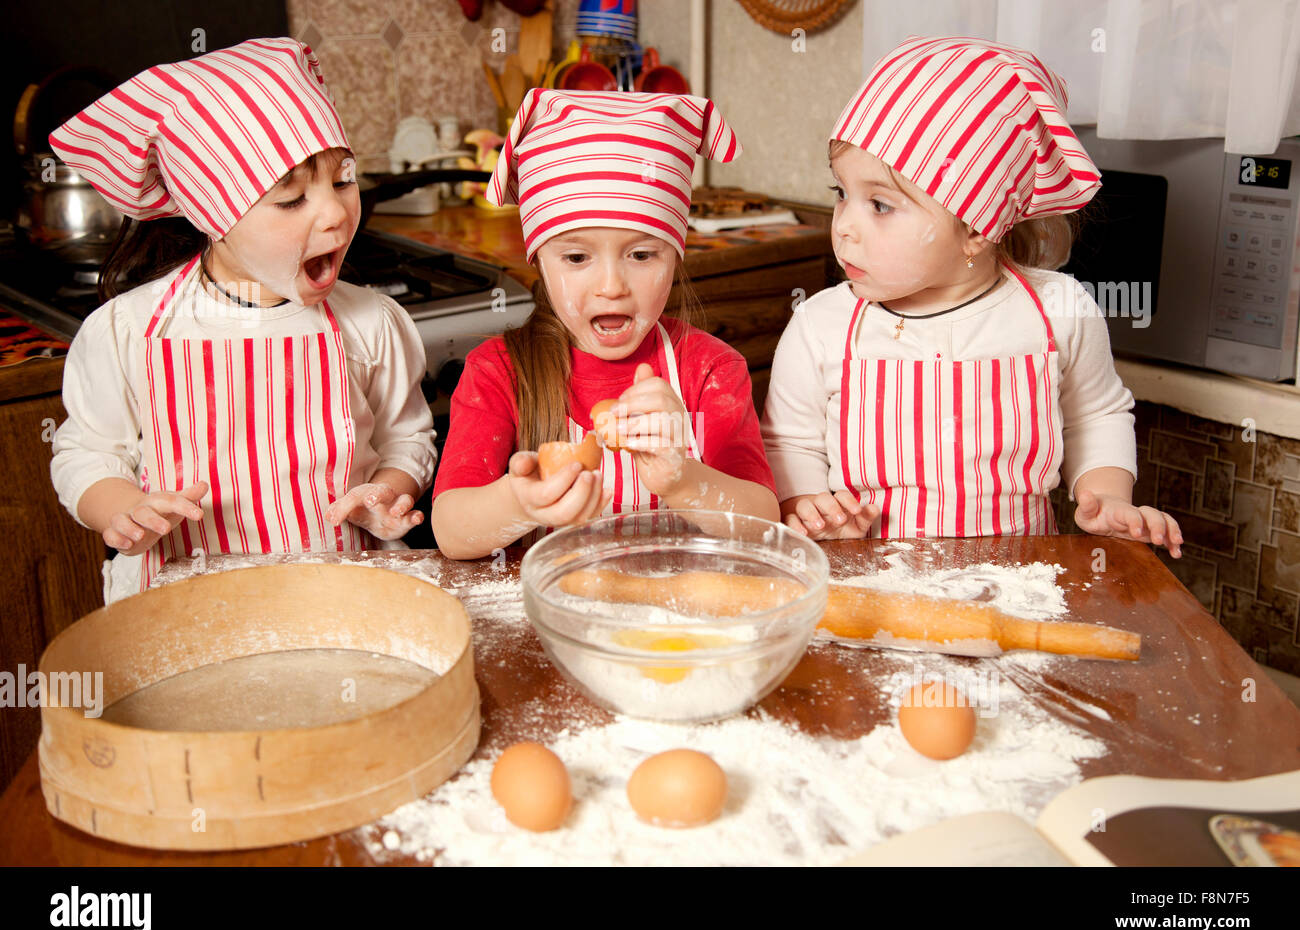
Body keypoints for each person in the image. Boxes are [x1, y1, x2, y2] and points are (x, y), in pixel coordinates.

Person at [48, 38, 436, 602]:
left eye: (343, 178)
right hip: (180, 615)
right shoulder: (127, 332)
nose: (334, 212)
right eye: (291, 199)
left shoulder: (371, 322)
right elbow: (86, 452)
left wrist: (386, 493)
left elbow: (407, 436)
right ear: (214, 214)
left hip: (347, 600)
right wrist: (120, 508)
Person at [761, 36, 1182, 556]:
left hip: (1021, 579)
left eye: (881, 205)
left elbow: (1096, 415)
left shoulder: (1056, 311)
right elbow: (788, 443)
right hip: (867, 582)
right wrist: (809, 505)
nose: (844, 226)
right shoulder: (820, 325)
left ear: (978, 227)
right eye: (841, 193)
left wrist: (1108, 497)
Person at [430, 90, 778, 559]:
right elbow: (452, 534)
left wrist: (683, 479)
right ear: (539, 262)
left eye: (641, 254)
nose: (611, 286)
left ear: (675, 256)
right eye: (576, 257)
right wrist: (521, 502)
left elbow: (764, 526)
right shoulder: (498, 372)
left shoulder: (710, 370)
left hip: (681, 622)